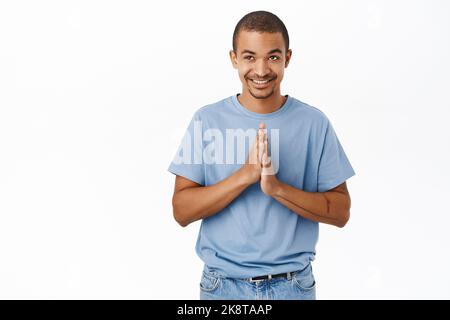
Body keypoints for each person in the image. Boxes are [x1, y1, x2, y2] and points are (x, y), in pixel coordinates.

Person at [167, 10, 355, 300]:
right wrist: (244, 177)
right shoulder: (207, 120)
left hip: (293, 287)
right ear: (234, 59)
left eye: (273, 57)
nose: (262, 69)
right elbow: (181, 210)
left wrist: (277, 189)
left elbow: (341, 212)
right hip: (223, 288)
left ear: (288, 58)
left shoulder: (313, 124)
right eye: (250, 57)